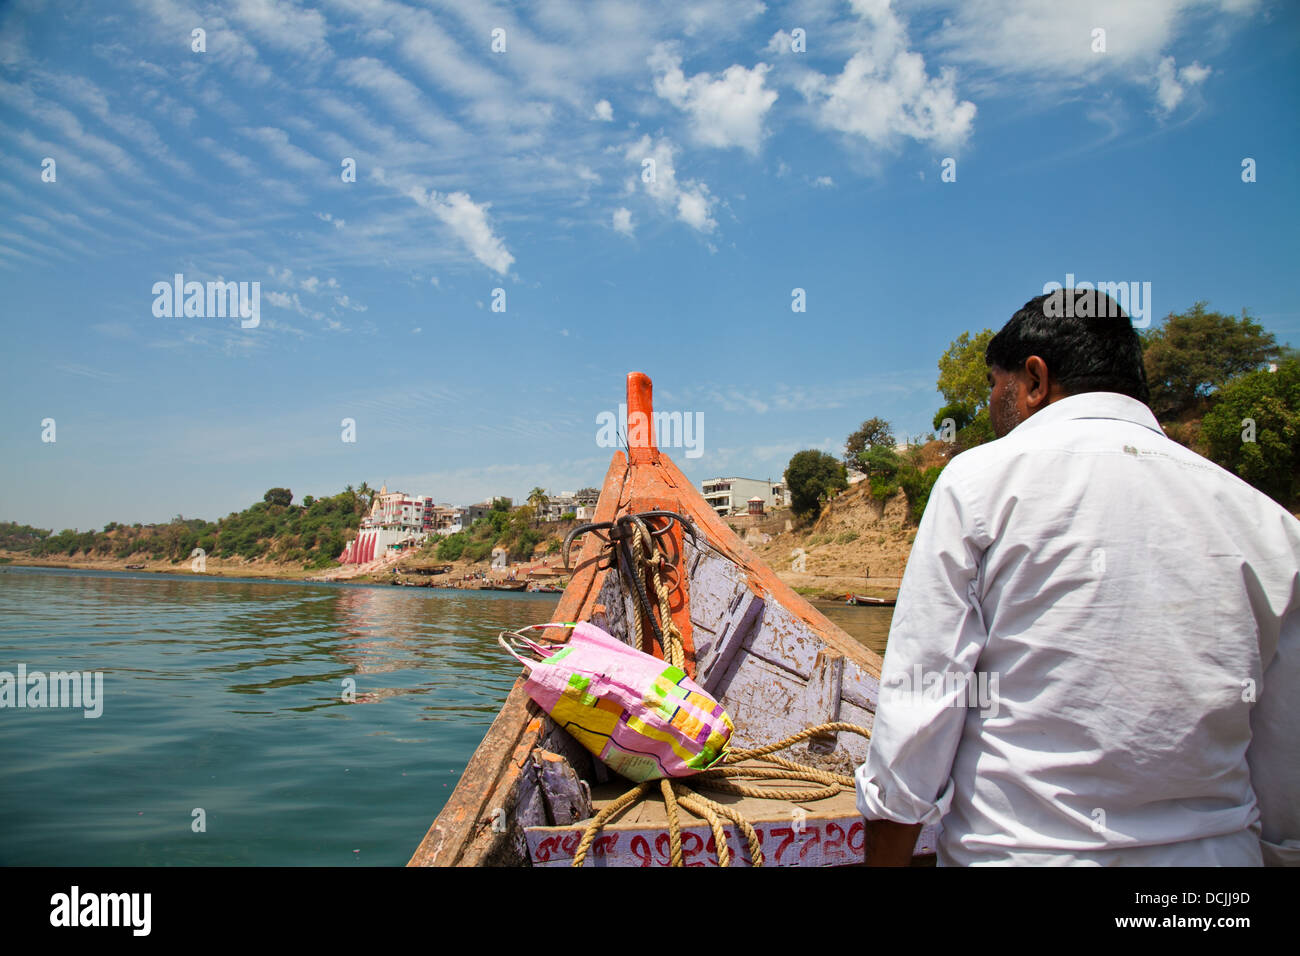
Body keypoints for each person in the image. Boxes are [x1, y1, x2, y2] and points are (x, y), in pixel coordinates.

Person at [856, 289, 1299, 866]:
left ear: (1034, 380)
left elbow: (920, 711)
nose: (992, 402)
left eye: (995, 383)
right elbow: (1284, 751)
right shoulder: (1269, 525)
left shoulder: (979, 484)